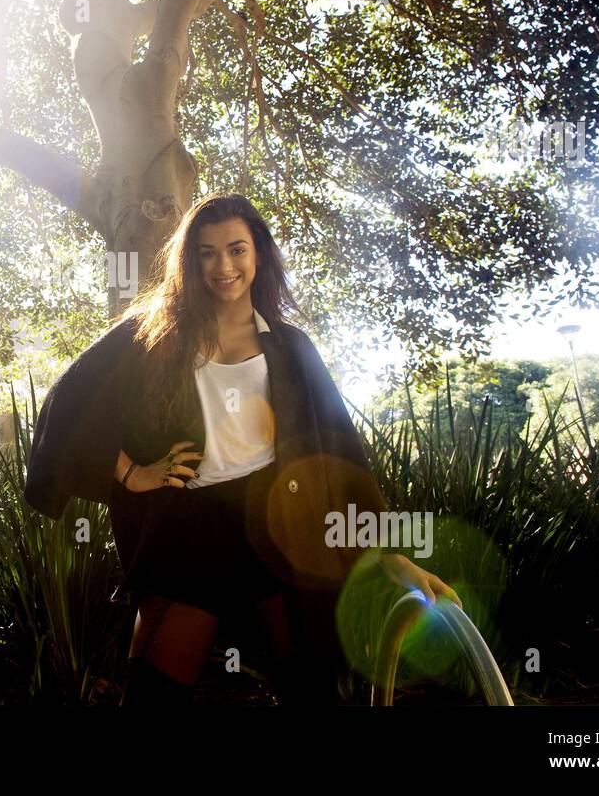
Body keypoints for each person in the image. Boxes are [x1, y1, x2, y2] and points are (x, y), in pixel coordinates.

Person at [24, 193, 461, 705]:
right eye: (206, 253)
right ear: (189, 262)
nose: (223, 265)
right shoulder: (152, 336)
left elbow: (342, 455)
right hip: (188, 532)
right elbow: (68, 405)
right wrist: (130, 474)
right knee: (150, 694)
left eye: (236, 249)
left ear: (259, 254)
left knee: (311, 689)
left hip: (277, 527)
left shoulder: (292, 347)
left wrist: (391, 556)